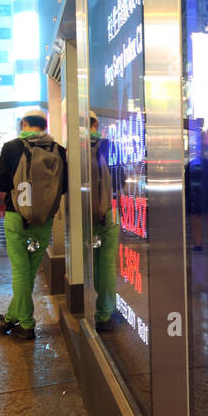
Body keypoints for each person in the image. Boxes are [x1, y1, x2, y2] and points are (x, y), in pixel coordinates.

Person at [0, 112, 67, 340]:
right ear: (44, 126)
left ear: (24, 124)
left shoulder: (12, 147)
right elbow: (63, 186)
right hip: (43, 221)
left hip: (17, 218)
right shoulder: (58, 150)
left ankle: (26, 324)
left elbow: (3, 184)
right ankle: (11, 316)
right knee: (29, 272)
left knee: (20, 271)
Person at [89, 110, 121, 333]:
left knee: (92, 259)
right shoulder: (109, 146)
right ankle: (105, 312)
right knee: (107, 261)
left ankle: (93, 306)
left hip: (83, 214)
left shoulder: (71, 149)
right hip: (107, 211)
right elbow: (119, 182)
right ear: (96, 124)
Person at [185, 130, 208, 251]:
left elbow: (187, 184)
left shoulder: (191, 165)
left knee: (196, 224)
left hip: (195, 199)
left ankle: (198, 245)